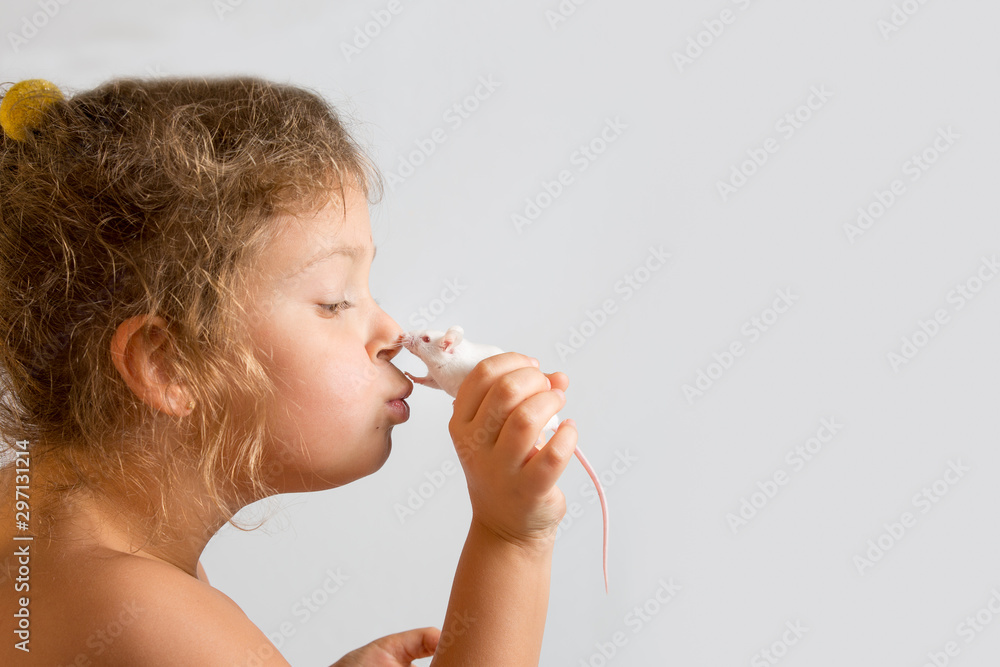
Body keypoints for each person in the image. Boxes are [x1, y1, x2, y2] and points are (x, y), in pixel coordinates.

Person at [0, 77, 577, 665]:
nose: (391, 334)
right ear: (168, 364)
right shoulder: (145, 615)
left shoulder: (44, 534)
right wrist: (510, 540)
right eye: (334, 301)